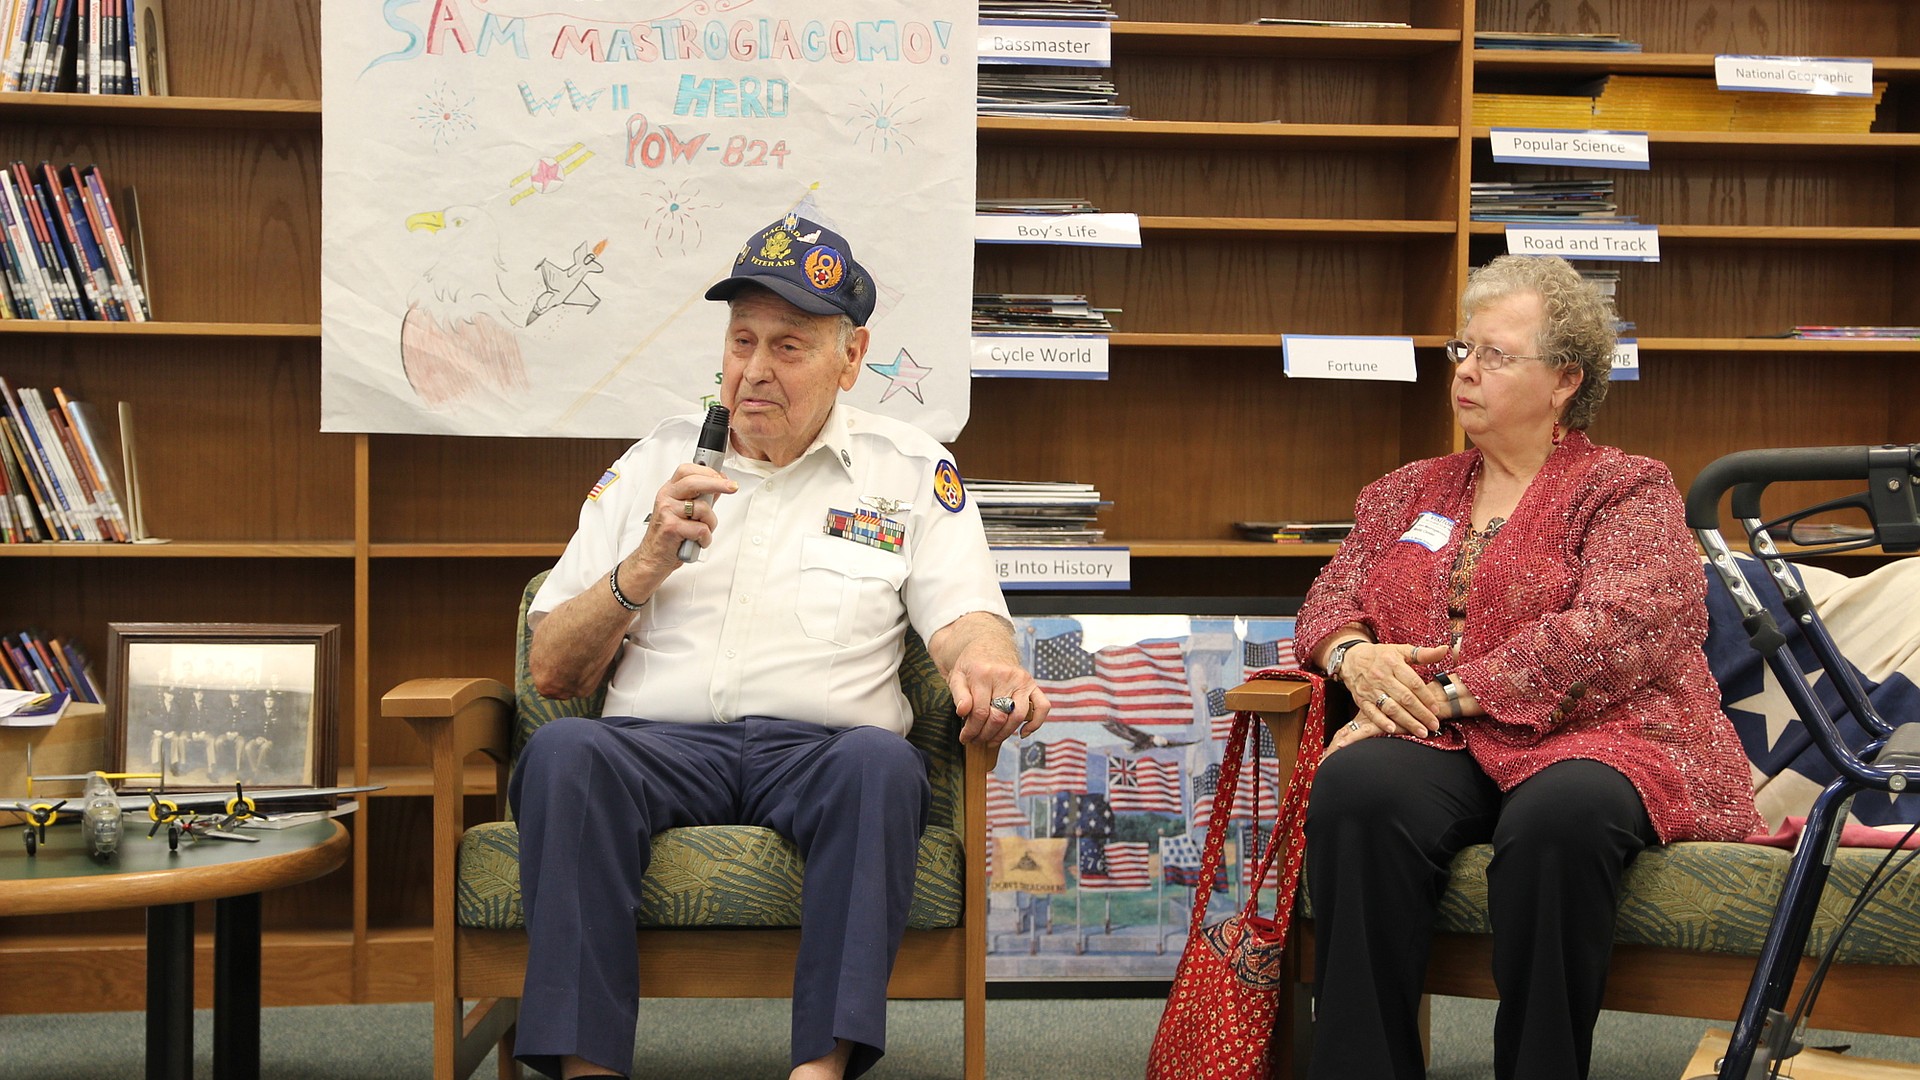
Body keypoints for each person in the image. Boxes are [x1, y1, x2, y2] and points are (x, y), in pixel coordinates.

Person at [509, 211, 1051, 1080]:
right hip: (655, 747)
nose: (754, 371)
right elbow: (552, 668)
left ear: (851, 354)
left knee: (883, 766)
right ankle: (587, 1068)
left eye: (788, 347)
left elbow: (966, 619)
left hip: (823, 753)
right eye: (741, 341)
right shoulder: (652, 463)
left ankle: (819, 1068)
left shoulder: (909, 469)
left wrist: (988, 666)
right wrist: (644, 563)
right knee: (566, 750)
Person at [1293, 254, 1762, 1080]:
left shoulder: (1625, 489)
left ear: (1564, 381)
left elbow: (1626, 624)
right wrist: (1354, 658)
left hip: (1600, 736)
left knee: (1562, 818)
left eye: (1496, 356)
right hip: (1440, 743)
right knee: (1358, 790)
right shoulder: (1407, 492)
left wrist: (1448, 693)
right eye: (1462, 350)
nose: (1467, 371)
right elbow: (1329, 600)